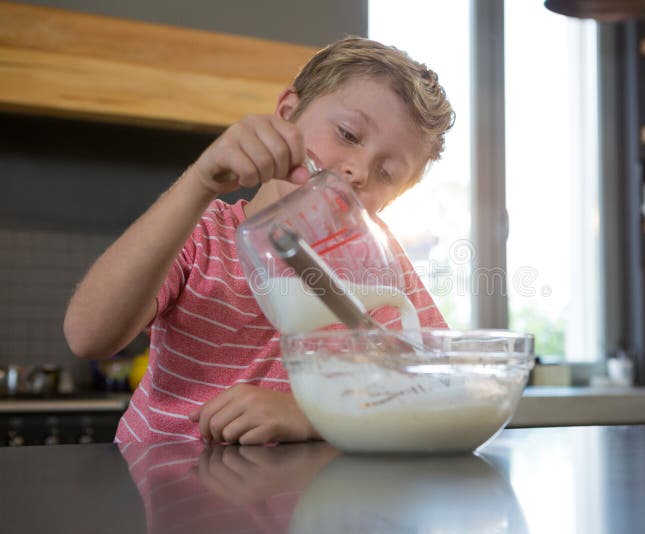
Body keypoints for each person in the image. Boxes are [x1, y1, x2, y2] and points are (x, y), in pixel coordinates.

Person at [63, 36, 455, 445]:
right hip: (160, 474)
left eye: (387, 173)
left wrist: (316, 416)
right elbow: (89, 336)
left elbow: (438, 387)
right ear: (288, 113)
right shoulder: (204, 235)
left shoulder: (377, 268)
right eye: (348, 134)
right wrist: (200, 183)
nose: (359, 170)